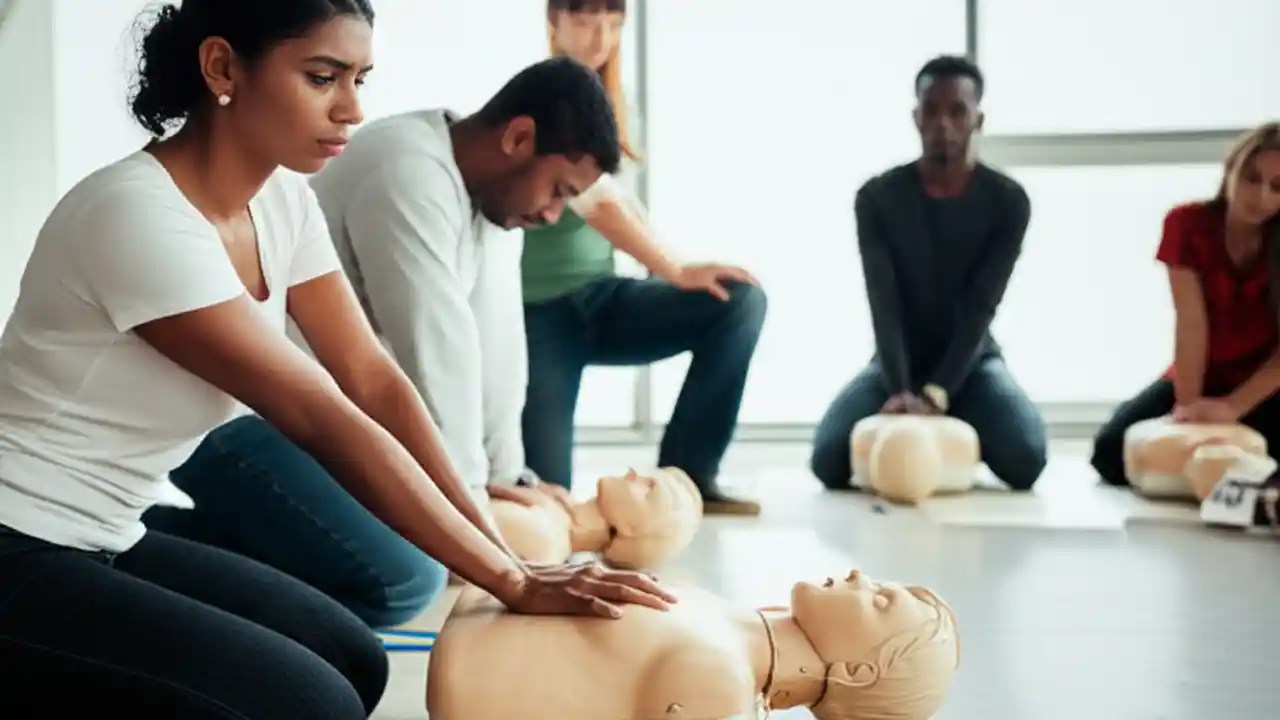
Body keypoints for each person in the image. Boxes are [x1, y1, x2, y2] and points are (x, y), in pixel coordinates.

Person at [0, 2, 672, 717]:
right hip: (20, 539)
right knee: (313, 703)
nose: (352, 109)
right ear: (223, 67)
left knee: (355, 659)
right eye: (324, 77)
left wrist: (500, 551)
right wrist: (510, 581)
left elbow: (374, 380)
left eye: (361, 79)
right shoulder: (135, 214)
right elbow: (321, 414)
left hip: (111, 530)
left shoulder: (283, 201)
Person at [144, 57, 625, 627]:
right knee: (405, 576)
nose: (553, 214)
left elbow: (493, 350)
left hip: (317, 413)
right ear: (518, 138)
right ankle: (134, 560)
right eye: (558, 191)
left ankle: (160, 551)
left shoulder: (495, 207)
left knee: (405, 570)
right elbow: (433, 357)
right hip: (244, 418)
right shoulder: (407, 170)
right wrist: (489, 541)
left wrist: (505, 476)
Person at [523, 0, 768, 515]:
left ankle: (690, 476)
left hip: (602, 299)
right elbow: (599, 205)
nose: (601, 37)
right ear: (554, 21)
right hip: (538, 315)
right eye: (587, 20)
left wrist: (678, 271)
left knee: (738, 301)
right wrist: (675, 269)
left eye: (613, 23)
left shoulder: (616, 105)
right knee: (547, 501)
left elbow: (625, 203)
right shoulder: (542, 98)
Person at [810, 55, 1047, 493]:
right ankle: (925, 423)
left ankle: (948, 431)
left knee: (1026, 459)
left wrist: (938, 393)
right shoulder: (878, 197)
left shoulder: (1009, 201)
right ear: (915, 117)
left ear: (978, 118)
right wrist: (900, 391)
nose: (943, 123)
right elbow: (883, 301)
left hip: (973, 362)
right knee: (827, 461)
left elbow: (982, 306)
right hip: (896, 364)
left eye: (956, 111)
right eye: (931, 110)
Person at [1091, 122, 1280, 485]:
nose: (1261, 197)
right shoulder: (1187, 223)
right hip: (1200, 372)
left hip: (1265, 384)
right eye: (1251, 178)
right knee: (1111, 454)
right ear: (1231, 170)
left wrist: (1233, 408)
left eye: (1277, 187)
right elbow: (1191, 323)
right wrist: (1189, 409)